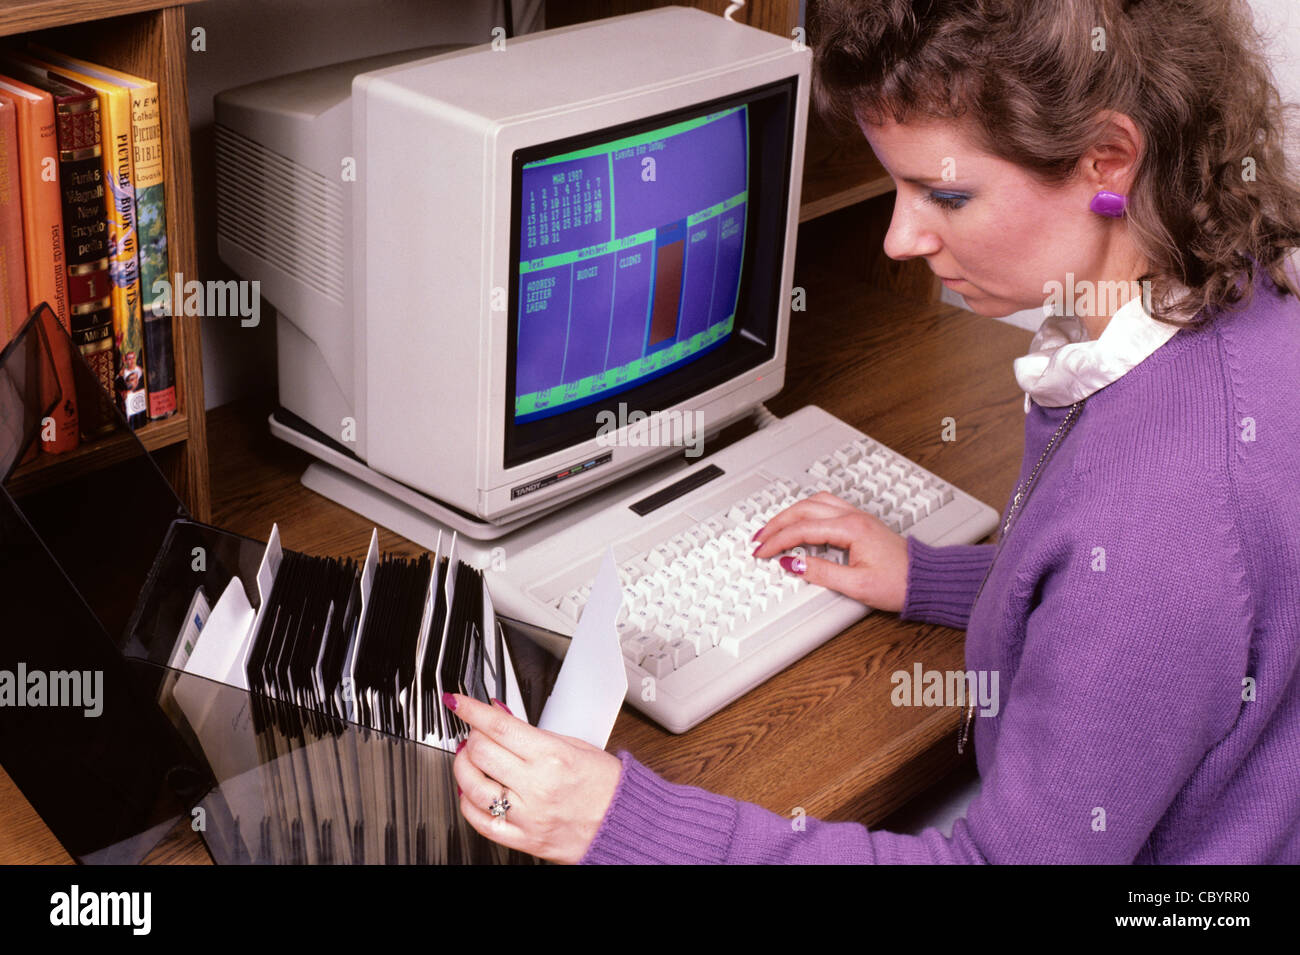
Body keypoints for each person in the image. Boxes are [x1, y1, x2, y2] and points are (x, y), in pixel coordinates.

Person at [450, 0, 1300, 864]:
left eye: (947, 194)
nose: (899, 237)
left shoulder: (1169, 517)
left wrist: (627, 824)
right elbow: (1125, 620)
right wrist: (942, 577)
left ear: (1107, 160)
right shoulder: (1241, 305)